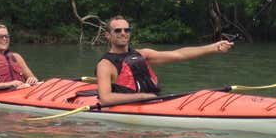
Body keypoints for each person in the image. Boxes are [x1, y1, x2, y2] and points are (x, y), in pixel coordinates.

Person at [96, 15, 234, 103]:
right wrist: (143, 97)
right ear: (108, 35)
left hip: (155, 101)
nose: (123, 33)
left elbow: (179, 54)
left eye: (127, 30)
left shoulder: (143, 54)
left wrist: (213, 48)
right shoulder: (105, 65)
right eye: (118, 30)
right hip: (133, 106)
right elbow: (106, 98)